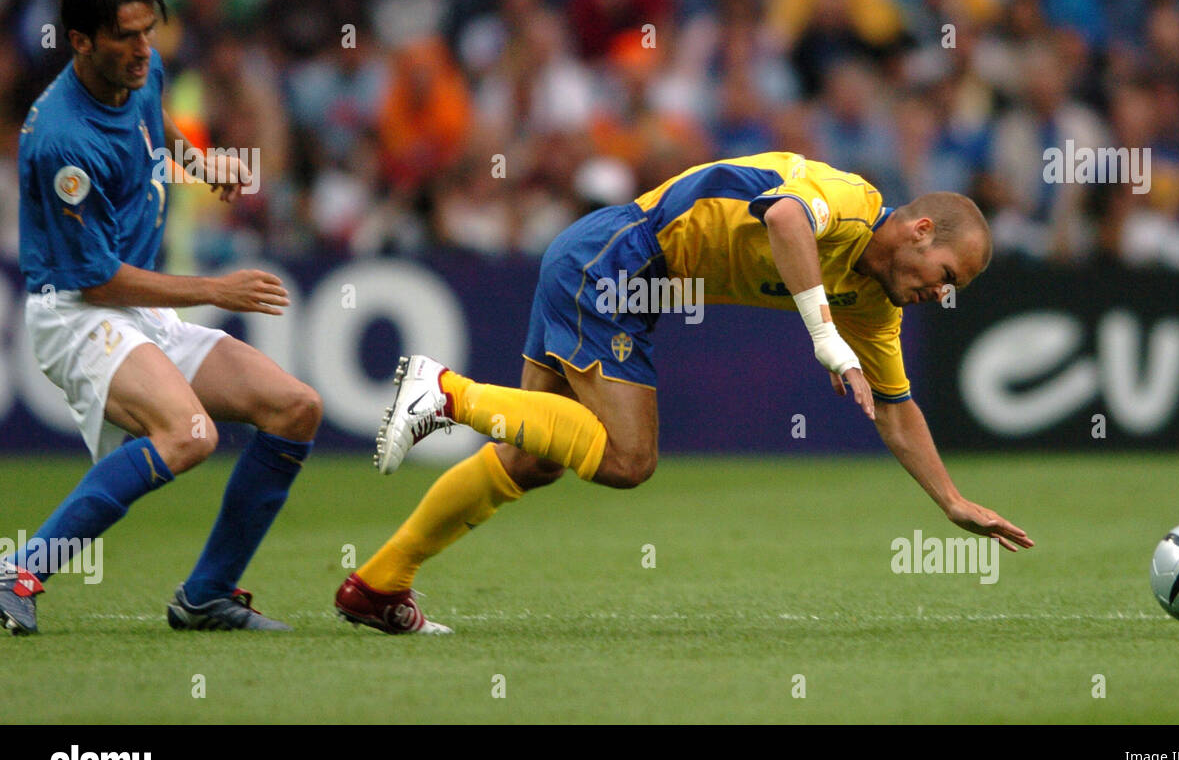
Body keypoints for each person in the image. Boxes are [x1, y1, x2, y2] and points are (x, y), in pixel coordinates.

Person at [335, 151, 1033, 634]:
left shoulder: (877, 306)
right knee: (629, 458)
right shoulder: (849, 206)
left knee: (532, 459)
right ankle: (445, 392)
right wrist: (823, 336)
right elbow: (785, 218)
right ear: (918, 231)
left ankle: (378, 583)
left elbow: (895, 407)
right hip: (619, 257)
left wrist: (952, 500)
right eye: (948, 274)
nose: (943, 293)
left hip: (617, 270)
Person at [0, 0, 321, 635]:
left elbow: (159, 122)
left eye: (151, 31)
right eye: (127, 35)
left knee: (296, 408)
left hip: (141, 311)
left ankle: (206, 595)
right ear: (82, 41)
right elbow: (96, 278)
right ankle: (19, 570)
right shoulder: (62, 139)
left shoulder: (140, 71)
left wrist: (202, 161)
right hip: (79, 314)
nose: (146, 49)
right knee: (190, 432)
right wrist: (214, 289)